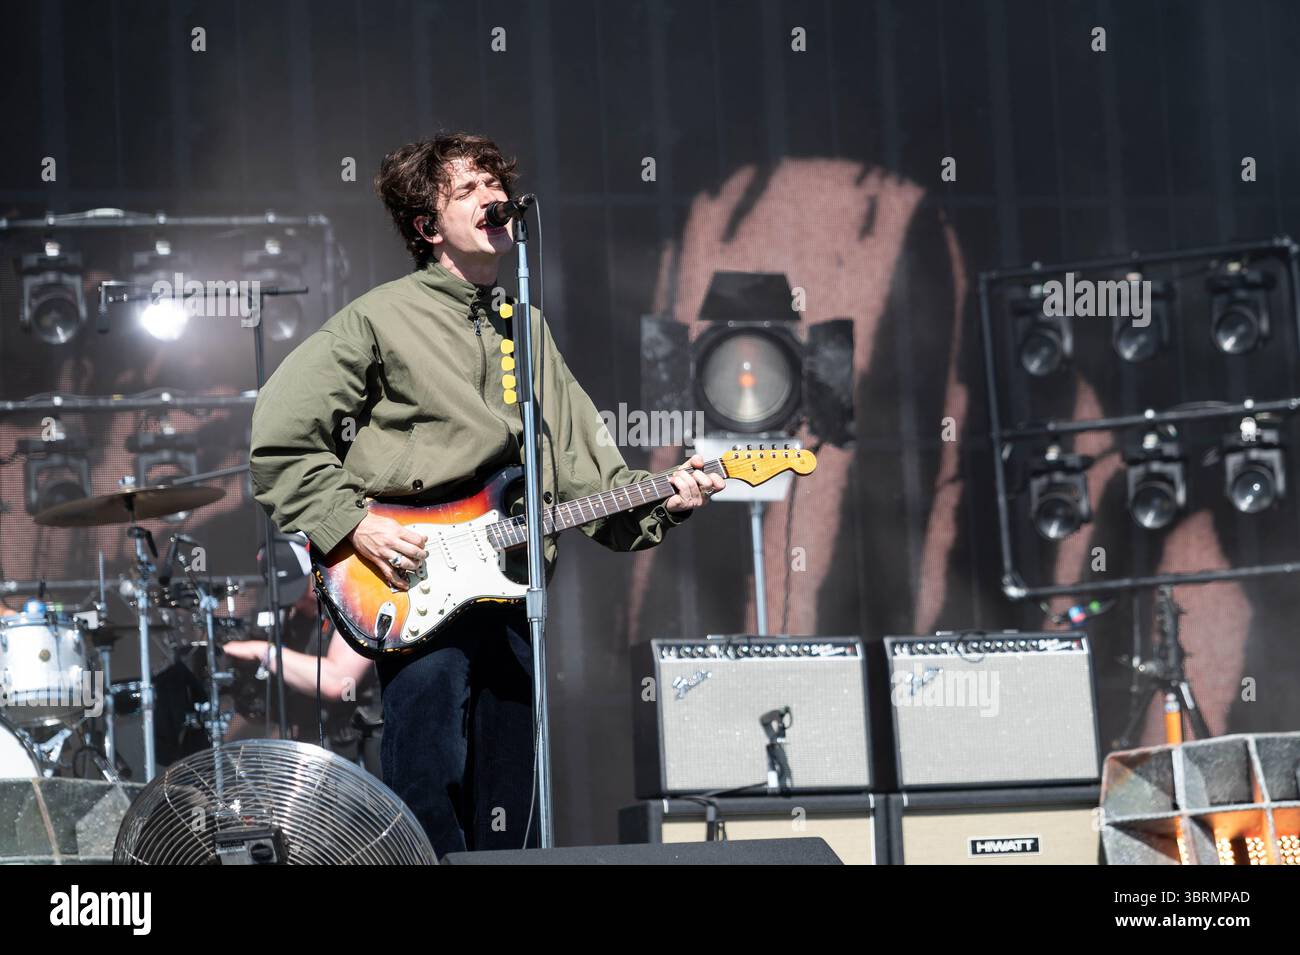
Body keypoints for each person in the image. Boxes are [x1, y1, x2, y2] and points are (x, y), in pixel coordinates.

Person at [248, 132, 722, 856]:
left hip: (509, 592)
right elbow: (280, 433)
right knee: (429, 787)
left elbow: (591, 474)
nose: (489, 198)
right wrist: (355, 525)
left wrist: (666, 497)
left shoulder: (525, 327)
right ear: (427, 227)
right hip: (411, 583)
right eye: (466, 190)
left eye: (493, 184)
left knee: (512, 804)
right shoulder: (379, 318)